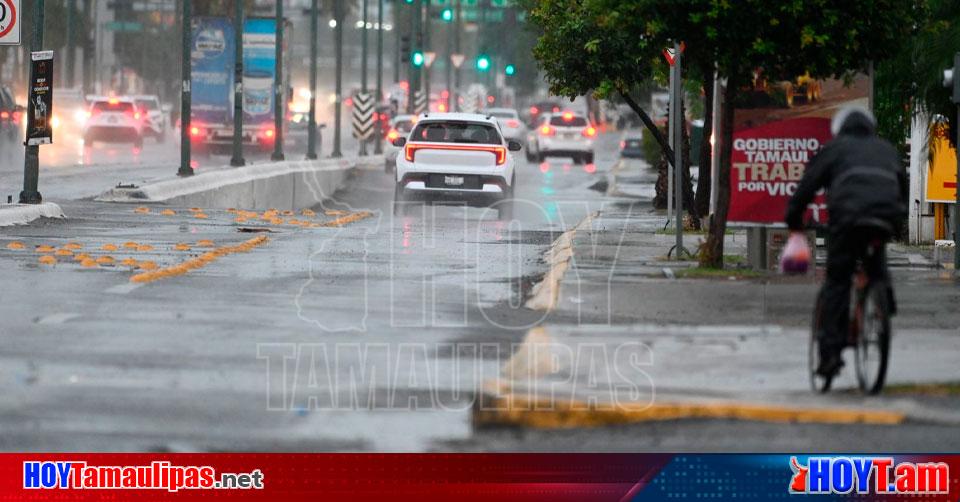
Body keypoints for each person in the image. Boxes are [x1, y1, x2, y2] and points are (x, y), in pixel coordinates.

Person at [785, 106, 907, 378]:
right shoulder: (886, 149)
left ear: (839, 129)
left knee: (838, 282)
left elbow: (807, 187)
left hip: (847, 221)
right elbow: (902, 186)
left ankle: (830, 355)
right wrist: (897, 222)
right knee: (876, 262)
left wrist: (794, 220)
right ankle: (884, 299)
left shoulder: (834, 149)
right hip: (885, 217)